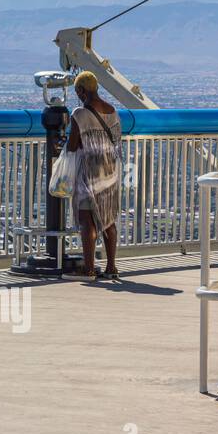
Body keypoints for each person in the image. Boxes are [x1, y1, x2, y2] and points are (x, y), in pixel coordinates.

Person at [67, 71, 122, 280]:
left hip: (89, 173)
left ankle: (88, 268)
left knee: (86, 219)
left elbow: (72, 145)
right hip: (110, 171)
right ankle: (111, 267)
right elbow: (116, 141)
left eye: (77, 91)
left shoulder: (79, 114)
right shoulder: (113, 111)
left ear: (81, 91)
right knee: (108, 217)